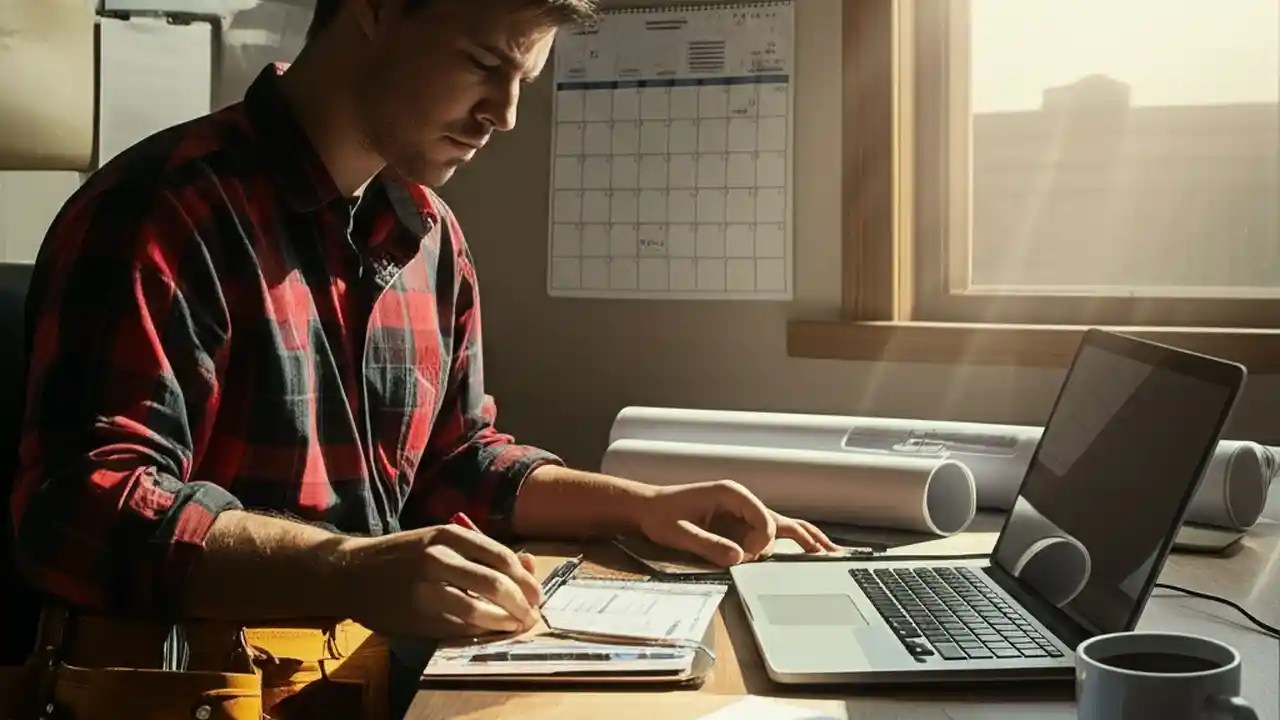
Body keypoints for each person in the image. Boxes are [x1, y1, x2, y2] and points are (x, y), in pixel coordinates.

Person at [9, 0, 836, 647]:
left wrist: (638, 507)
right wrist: (346, 572)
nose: (505, 114)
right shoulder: (164, 212)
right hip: (210, 687)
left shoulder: (428, 235)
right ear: (375, 7)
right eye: (484, 63)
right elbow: (79, 513)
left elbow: (455, 461)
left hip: (369, 673)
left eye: (527, 79)